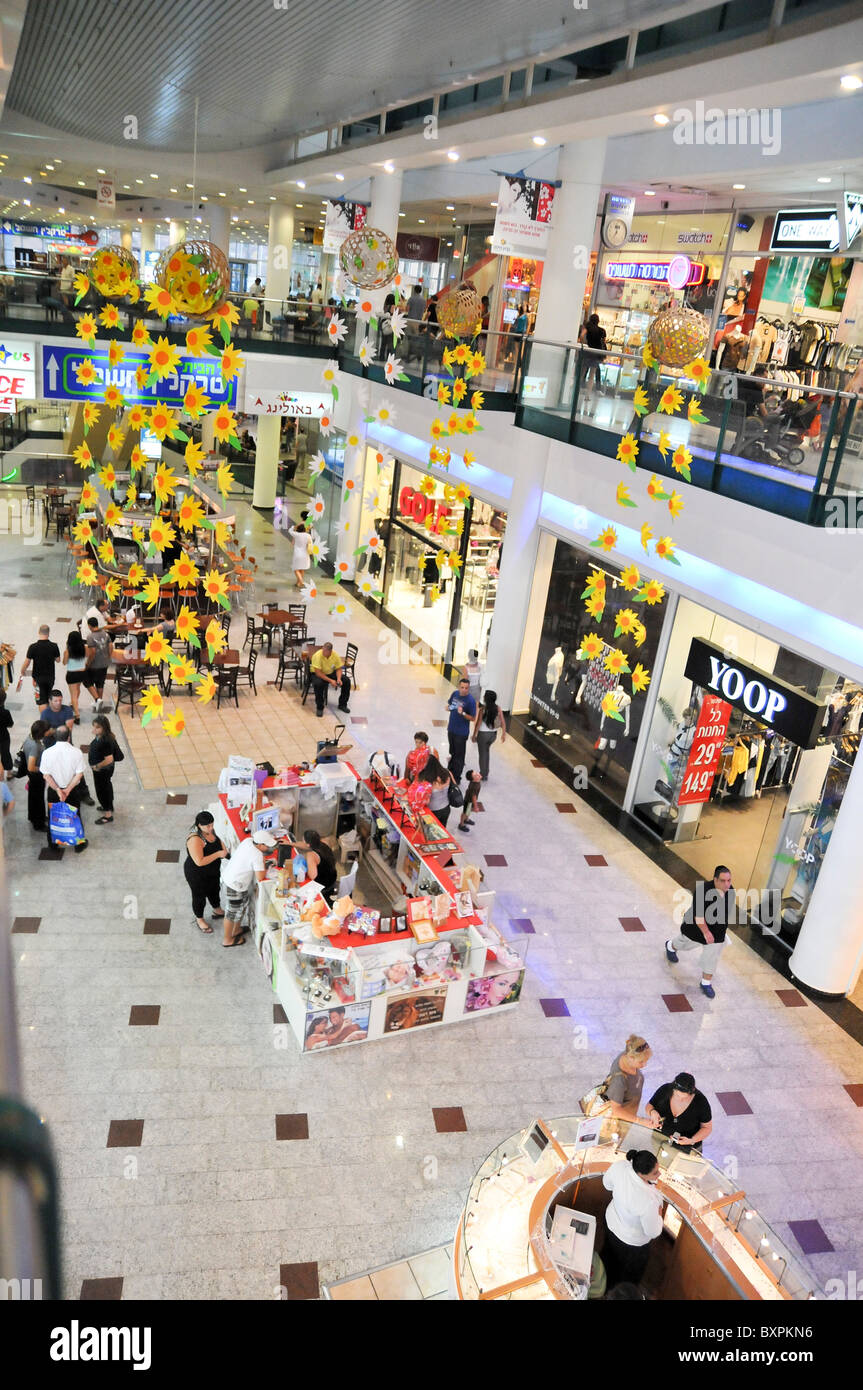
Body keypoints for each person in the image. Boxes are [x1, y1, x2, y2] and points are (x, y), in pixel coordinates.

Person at [665, 864, 734, 998]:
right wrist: (706, 933)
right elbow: (699, 917)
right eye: (723, 881)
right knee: (684, 944)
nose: (727, 884)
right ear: (715, 880)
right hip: (696, 927)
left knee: (711, 957)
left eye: (729, 880)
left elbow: (725, 913)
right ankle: (670, 946)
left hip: (716, 932)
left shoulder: (730, 891)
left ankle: (706, 982)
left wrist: (721, 932)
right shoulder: (702, 891)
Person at [601, 1149, 663, 1287]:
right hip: (631, 1243)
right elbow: (652, 1232)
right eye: (655, 1173)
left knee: (608, 1256)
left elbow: (607, 1184)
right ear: (641, 1174)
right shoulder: (649, 1201)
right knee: (628, 1274)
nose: (660, 1174)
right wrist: (659, 1214)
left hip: (611, 1223)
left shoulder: (620, 1166)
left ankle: (602, 1281)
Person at [221, 828, 275, 946]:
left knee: (240, 907)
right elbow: (260, 876)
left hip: (230, 879)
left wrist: (262, 860)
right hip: (234, 886)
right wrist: (266, 864)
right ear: (260, 845)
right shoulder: (257, 855)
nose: (269, 849)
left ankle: (236, 930)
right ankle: (227, 939)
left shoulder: (248, 841)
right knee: (231, 913)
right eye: (267, 846)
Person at [40, 728, 88, 853]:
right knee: (75, 816)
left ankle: (53, 844)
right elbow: (79, 774)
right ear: (69, 737)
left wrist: (58, 790)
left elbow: (46, 775)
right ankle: (78, 845)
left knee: (53, 816)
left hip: (53, 791)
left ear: (55, 737)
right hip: (72, 790)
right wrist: (67, 789)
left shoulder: (47, 752)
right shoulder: (76, 752)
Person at [184, 811, 229, 935]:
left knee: (214, 889)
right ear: (199, 825)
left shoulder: (209, 830)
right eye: (208, 826)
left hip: (212, 870)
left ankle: (217, 909)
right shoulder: (195, 839)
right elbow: (199, 861)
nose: (211, 828)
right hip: (197, 873)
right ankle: (200, 919)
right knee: (199, 896)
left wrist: (224, 849)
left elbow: (217, 840)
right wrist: (219, 854)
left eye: (212, 825)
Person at [645, 1072, 713, 1152]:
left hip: (688, 1147)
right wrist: (652, 1112)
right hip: (660, 1139)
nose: (680, 1099)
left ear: (692, 1091)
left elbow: (707, 1127)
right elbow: (649, 1106)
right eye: (677, 1095)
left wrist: (692, 1140)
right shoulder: (665, 1090)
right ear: (673, 1088)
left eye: (685, 1097)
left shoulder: (701, 1102)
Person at [603, 1035, 653, 1122]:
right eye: (641, 1061)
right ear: (631, 1058)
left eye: (646, 1060)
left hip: (629, 1111)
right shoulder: (619, 1081)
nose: (645, 1065)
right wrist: (640, 1121)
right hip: (618, 1123)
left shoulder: (627, 1053)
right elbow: (616, 1110)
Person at [88, 714, 123, 825]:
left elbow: (109, 759)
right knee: (107, 786)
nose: (94, 729)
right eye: (94, 726)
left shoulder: (105, 740)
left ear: (104, 728)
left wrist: (97, 767)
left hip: (102, 770)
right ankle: (108, 806)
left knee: (102, 790)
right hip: (105, 770)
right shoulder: (106, 736)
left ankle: (108, 815)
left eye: (97, 727)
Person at [18, 624, 60, 710]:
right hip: (50, 677)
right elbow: (58, 660)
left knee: (41, 700)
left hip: (37, 678)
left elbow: (27, 662)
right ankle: (48, 718)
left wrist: (22, 671)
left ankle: (43, 721)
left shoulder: (33, 647)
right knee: (48, 697)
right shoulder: (54, 646)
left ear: (39, 632)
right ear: (48, 633)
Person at [471, 689, 506, 780]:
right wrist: (503, 734)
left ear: (486, 699)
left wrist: (474, 735)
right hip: (493, 735)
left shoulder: (483, 709)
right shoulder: (498, 708)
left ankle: (483, 774)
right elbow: (503, 722)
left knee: (482, 754)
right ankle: (486, 772)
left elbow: (478, 723)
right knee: (486, 752)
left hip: (483, 735)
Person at [446, 676, 476, 782]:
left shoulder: (471, 701)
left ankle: (457, 778)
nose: (464, 690)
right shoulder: (455, 694)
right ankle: (450, 773)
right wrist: (448, 708)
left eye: (466, 688)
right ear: (459, 686)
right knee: (452, 752)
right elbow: (450, 705)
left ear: (468, 688)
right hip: (451, 729)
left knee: (459, 756)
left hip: (461, 733)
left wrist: (463, 713)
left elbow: (473, 718)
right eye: (462, 687)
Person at [296, 828, 338, 903]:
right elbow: (305, 846)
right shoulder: (324, 843)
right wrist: (290, 843)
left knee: (298, 886)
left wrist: (308, 865)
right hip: (333, 879)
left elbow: (312, 876)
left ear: (308, 844)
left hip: (324, 887)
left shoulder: (311, 855)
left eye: (303, 841)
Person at [310, 641, 350, 717]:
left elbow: (338, 669)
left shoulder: (335, 655)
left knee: (346, 681)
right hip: (318, 673)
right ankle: (320, 708)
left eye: (326, 652)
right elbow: (318, 673)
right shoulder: (317, 655)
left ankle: (342, 704)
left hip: (330, 672)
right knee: (318, 684)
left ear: (330, 651)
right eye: (323, 650)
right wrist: (331, 681)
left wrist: (338, 679)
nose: (323, 653)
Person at [22, 718, 47, 831]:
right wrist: (43, 769)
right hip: (36, 776)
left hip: (32, 777)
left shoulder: (29, 738)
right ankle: (39, 823)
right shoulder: (35, 746)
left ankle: (33, 817)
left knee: (33, 797)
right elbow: (31, 767)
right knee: (38, 799)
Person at [83, 616, 112, 711]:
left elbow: (93, 652)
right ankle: (99, 703)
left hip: (94, 665)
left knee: (89, 682)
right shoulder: (106, 634)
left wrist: (88, 664)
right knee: (100, 683)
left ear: (89, 626)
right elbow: (111, 646)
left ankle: (97, 700)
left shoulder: (90, 637)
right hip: (104, 664)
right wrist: (108, 657)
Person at [62, 627, 87, 723]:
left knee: (73, 694)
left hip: (72, 674)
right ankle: (74, 704)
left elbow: (64, 662)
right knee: (77, 690)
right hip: (82, 673)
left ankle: (77, 715)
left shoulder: (68, 651)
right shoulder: (84, 648)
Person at [580, 313, 608, 391]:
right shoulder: (602, 331)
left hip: (588, 352)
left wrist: (584, 343)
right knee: (592, 375)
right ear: (598, 321)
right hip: (596, 353)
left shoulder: (588, 328)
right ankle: (587, 395)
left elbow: (582, 336)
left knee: (583, 372)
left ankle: (577, 390)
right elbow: (603, 342)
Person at [289, 520, 312, 590]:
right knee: (302, 569)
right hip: (305, 555)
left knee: (296, 569)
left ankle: (301, 582)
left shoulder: (296, 534)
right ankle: (298, 583)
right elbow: (311, 544)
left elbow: (290, 531)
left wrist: (294, 526)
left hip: (297, 554)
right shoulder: (308, 536)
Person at [0, 687, 12, 774]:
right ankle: (9, 772)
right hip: (4, 737)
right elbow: (10, 724)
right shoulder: (6, 712)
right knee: (6, 754)